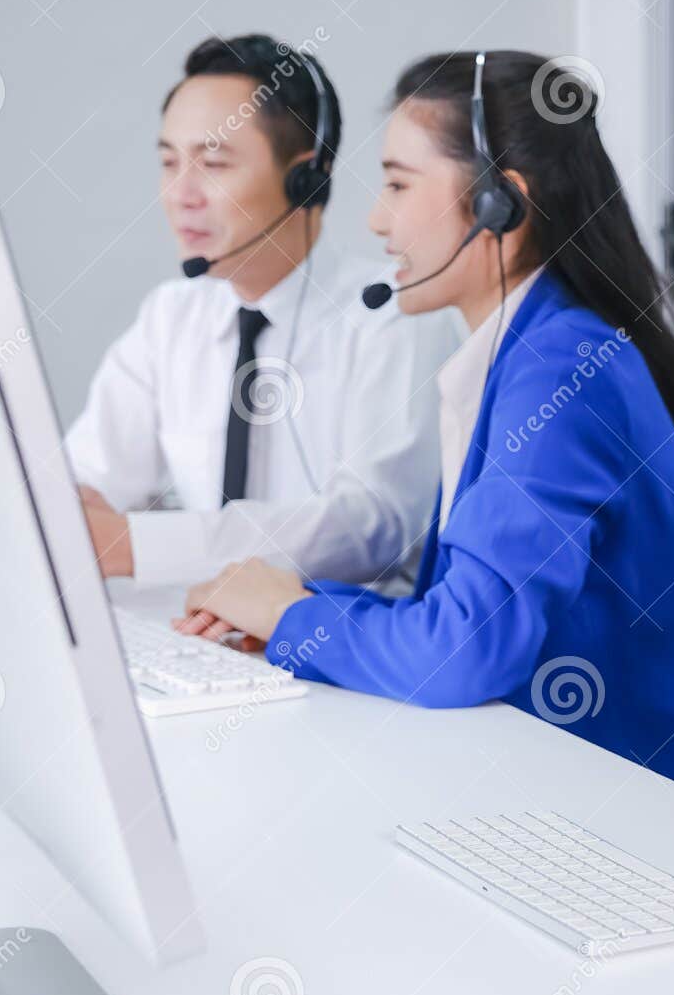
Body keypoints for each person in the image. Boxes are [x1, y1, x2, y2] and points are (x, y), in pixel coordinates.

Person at [174, 51, 674, 791]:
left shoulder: (560, 370)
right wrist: (297, 605)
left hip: (621, 816)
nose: (377, 220)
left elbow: (467, 648)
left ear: (498, 207)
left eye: (397, 184)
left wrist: (293, 618)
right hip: (545, 780)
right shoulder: (530, 348)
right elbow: (454, 612)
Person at [65, 34, 449, 590]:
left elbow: (373, 527)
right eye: (169, 162)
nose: (180, 194)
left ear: (306, 178)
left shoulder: (392, 312)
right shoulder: (170, 316)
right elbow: (86, 477)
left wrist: (134, 545)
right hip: (201, 639)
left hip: (335, 655)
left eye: (213, 163)